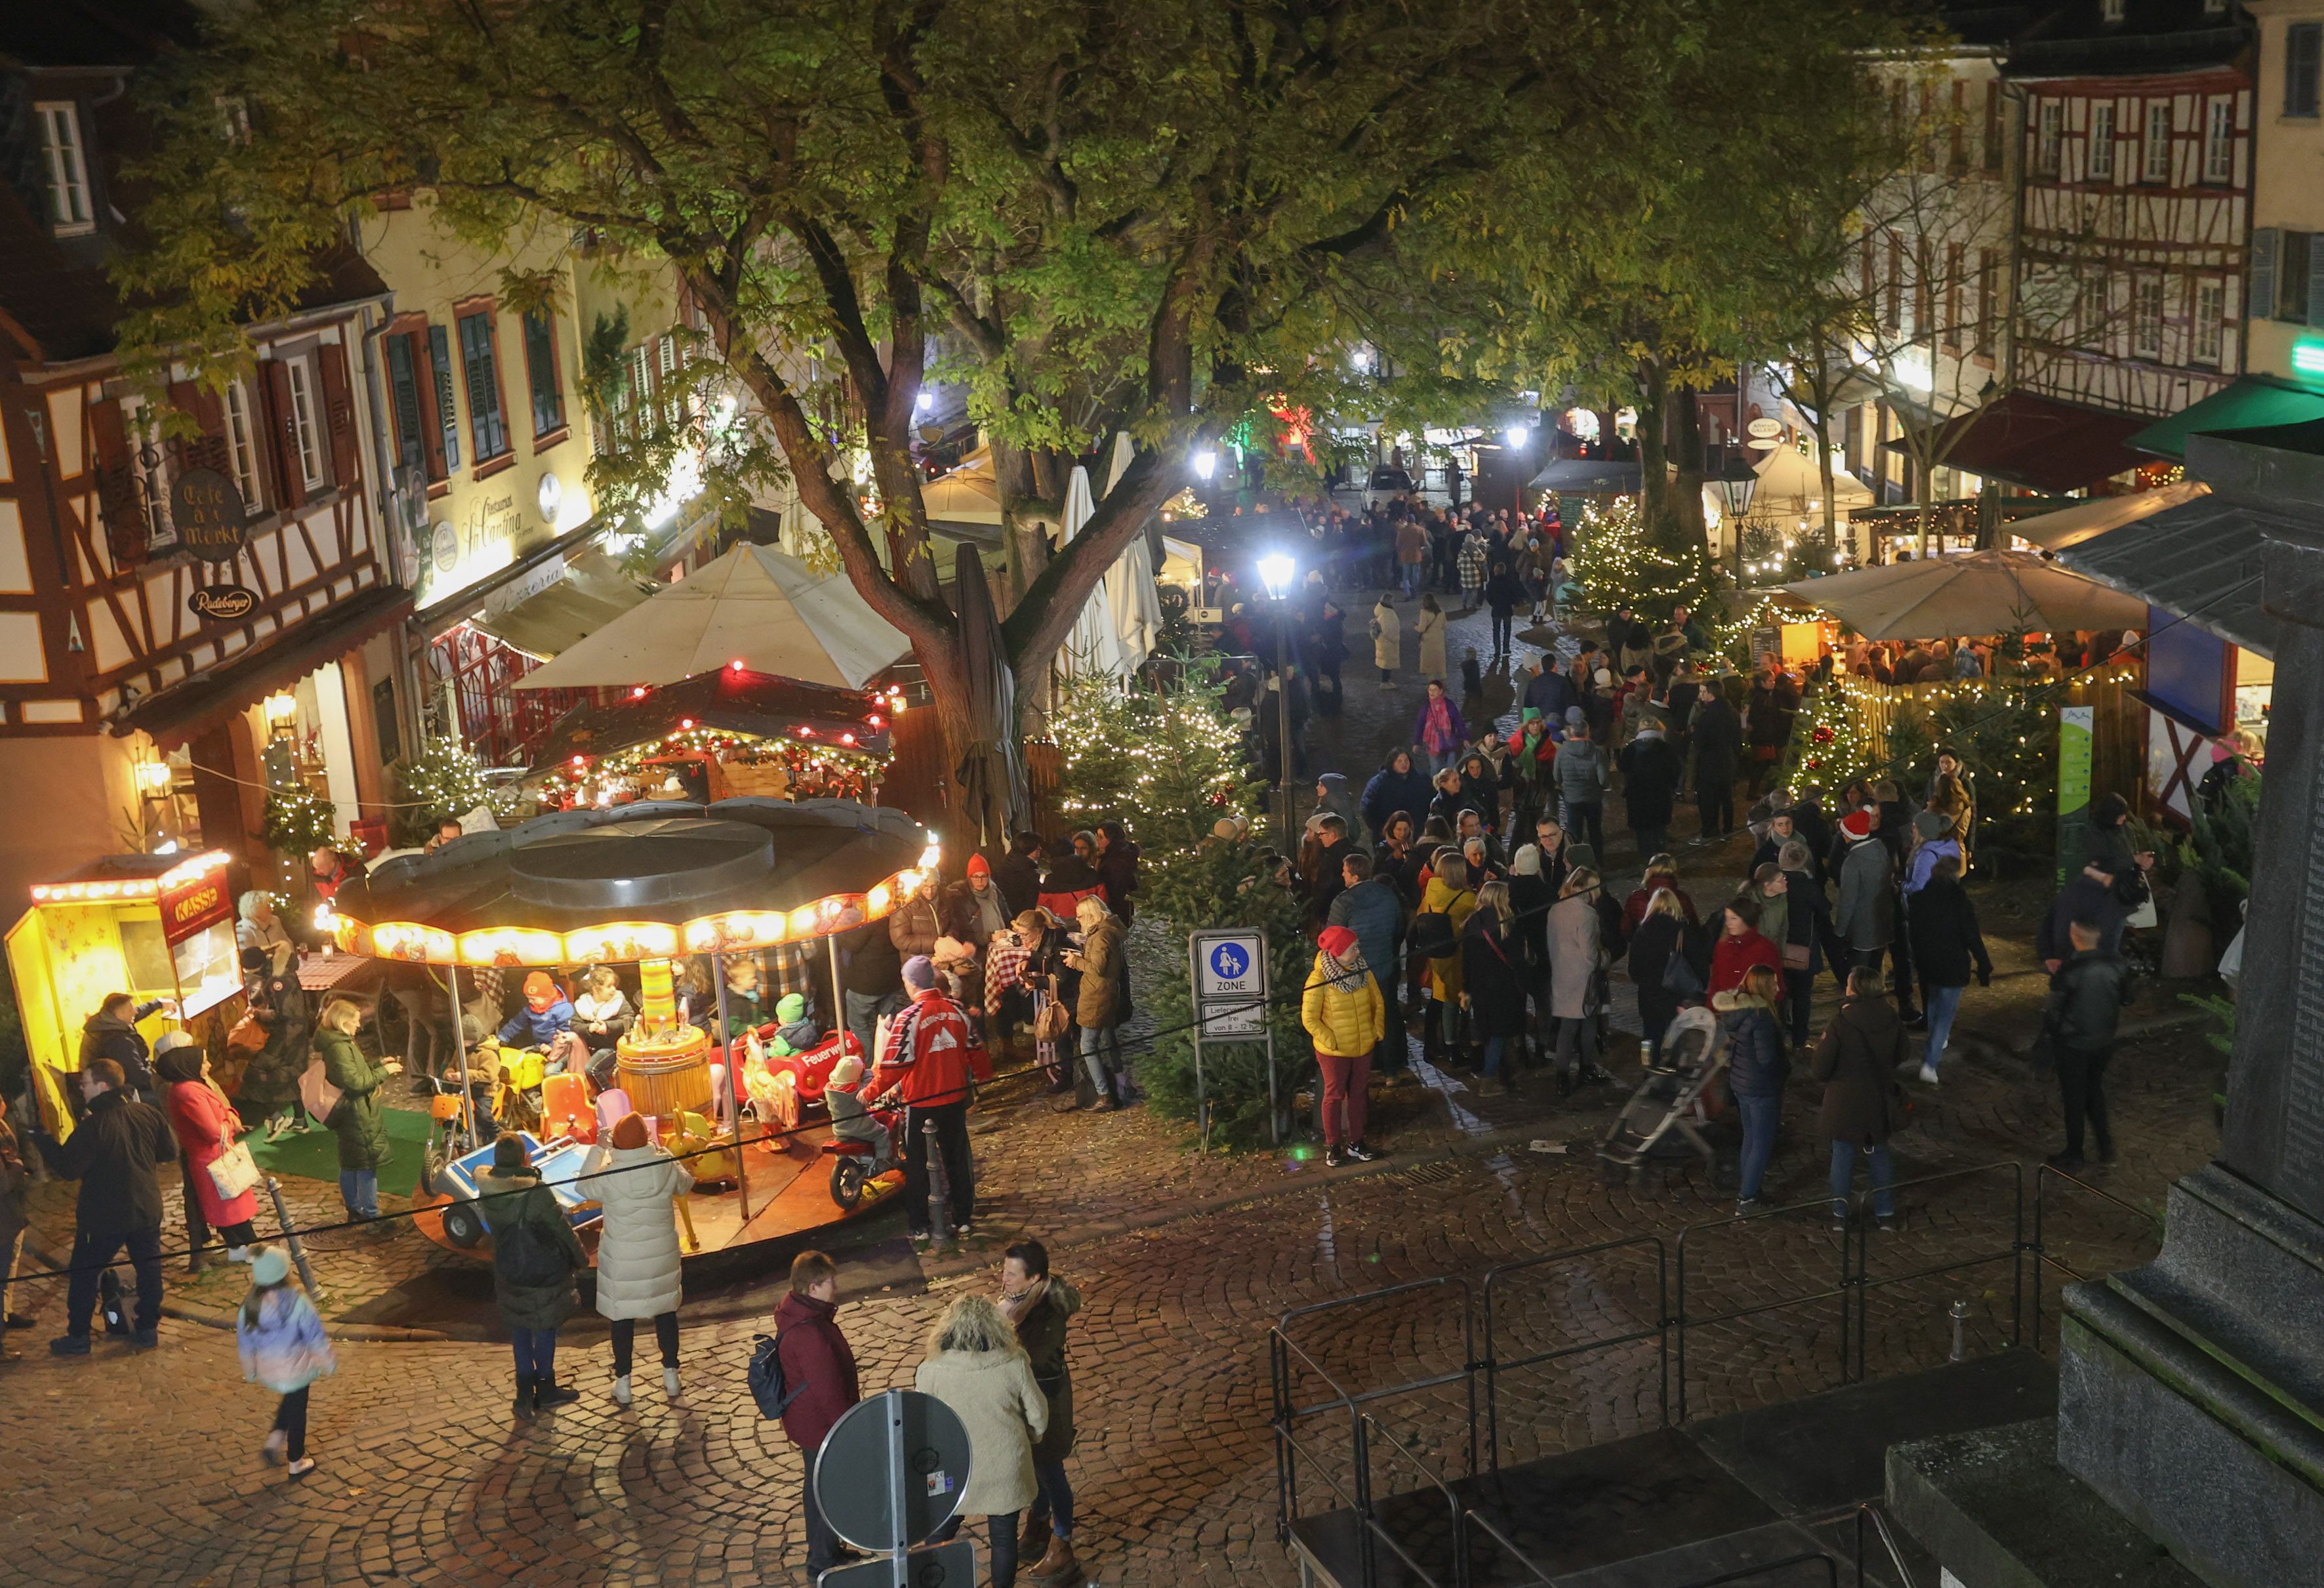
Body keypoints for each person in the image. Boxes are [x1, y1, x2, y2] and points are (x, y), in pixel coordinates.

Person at [31, 1056, 176, 1353]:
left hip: (103, 1217)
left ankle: (79, 1336)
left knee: (84, 1274)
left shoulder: (93, 1126)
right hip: (146, 1208)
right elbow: (169, 1151)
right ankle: (148, 1328)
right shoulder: (147, 1113)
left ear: (103, 1085)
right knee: (149, 1270)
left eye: (85, 1083)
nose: (81, 1088)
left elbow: (69, 1169)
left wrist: (44, 1142)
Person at [916, 1293, 1050, 1588]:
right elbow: (1039, 1415)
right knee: (1004, 1539)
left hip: (952, 1469)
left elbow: (921, 1423)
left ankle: (928, 1581)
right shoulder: (1014, 1363)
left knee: (938, 1534)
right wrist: (1031, 1438)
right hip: (1003, 1466)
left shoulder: (931, 1370)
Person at [871, 954, 986, 1248]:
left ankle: (920, 1225)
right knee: (957, 1160)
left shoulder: (907, 1018)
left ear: (911, 984)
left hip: (921, 1103)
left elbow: (894, 1065)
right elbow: (977, 1050)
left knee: (919, 1165)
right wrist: (984, 1075)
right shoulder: (957, 1009)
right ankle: (963, 1220)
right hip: (955, 1099)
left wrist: (868, 1093)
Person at [479, 1131, 588, 1419]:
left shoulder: (488, 1190)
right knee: (545, 1328)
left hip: (509, 1269)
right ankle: (547, 1389)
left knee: (521, 1331)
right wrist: (580, 1258)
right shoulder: (535, 1191)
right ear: (523, 1157)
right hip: (542, 1270)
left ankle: (524, 1395)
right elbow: (560, 1230)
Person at [585, 1111, 692, 1405]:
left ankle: (624, 1383)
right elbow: (686, 1184)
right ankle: (671, 1376)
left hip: (623, 1259)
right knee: (666, 1313)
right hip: (661, 1256)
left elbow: (582, 1186)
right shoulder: (663, 1164)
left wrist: (598, 1149)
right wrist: (666, 1151)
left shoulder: (609, 1174)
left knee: (622, 1319)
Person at [1001, 1240, 1083, 1581]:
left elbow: (1026, 1358)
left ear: (1034, 1278)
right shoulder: (1018, 1303)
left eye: (1012, 1274)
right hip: (1030, 1397)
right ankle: (1037, 1525)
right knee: (1034, 1467)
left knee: (1051, 1470)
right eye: (1003, 1271)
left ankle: (1062, 1542)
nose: (1004, 1279)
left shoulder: (1048, 1313)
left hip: (1047, 1402)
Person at [777, 1251, 861, 1576]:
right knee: (825, 1493)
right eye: (829, 1282)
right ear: (813, 1288)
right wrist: (849, 1428)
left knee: (818, 1489)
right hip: (821, 1426)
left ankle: (826, 1552)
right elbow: (828, 1392)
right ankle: (822, 1561)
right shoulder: (808, 1332)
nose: (835, 1287)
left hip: (811, 1422)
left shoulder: (802, 1315)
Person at [1816, 967, 1907, 1232]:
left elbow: (1820, 1068)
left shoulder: (1841, 1022)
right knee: (1879, 1153)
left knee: (1843, 1154)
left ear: (1854, 990)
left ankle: (1840, 1215)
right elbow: (1903, 1052)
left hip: (1844, 1101)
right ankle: (1886, 1213)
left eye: (1848, 985)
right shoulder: (1892, 1017)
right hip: (1878, 1098)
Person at [155, 1036, 259, 1266]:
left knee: (234, 1205)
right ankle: (245, 1246)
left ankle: (246, 1246)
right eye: (204, 1062)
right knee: (229, 1207)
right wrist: (232, 1124)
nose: (209, 1065)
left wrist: (230, 1114)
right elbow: (212, 1131)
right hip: (212, 1157)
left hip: (216, 1155)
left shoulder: (192, 1087)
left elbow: (222, 1106)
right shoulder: (187, 1092)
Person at [2042, 918, 2133, 1171]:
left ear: (2075, 937)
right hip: (2103, 1042)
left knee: (2074, 1099)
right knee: (2094, 1092)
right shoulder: (2116, 965)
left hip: (2073, 1045)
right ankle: (2105, 1148)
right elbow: (2128, 998)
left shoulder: (2070, 972)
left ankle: (2074, 1153)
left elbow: (2054, 1012)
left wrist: (2051, 1039)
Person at [237, 1245, 335, 1478]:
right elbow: (315, 1336)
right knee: (298, 1411)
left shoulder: (249, 1307)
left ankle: (275, 1439)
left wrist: (250, 1372)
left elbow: (245, 1345)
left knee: (290, 1398)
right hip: (297, 1368)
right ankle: (296, 1461)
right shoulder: (298, 1302)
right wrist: (328, 1361)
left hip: (271, 1371)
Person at [1304, 926, 1387, 1163]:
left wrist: (1376, 1030)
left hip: (1363, 1046)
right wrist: (1332, 1040)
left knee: (1359, 1095)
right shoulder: (1319, 979)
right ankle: (1333, 1145)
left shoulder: (1363, 971)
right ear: (1338, 951)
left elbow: (1377, 1003)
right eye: (1352, 948)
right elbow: (1310, 1018)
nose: (1358, 951)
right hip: (1335, 1051)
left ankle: (1357, 1142)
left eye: (1357, 946)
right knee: (1334, 1095)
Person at [315, 996, 399, 1229]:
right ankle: (371, 1217)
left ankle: (355, 1209)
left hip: (352, 1112)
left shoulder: (340, 1044)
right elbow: (354, 1083)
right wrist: (385, 1072)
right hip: (357, 1114)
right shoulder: (340, 1048)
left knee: (351, 1163)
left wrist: (378, 1064)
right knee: (365, 1165)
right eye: (355, 1022)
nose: (358, 1026)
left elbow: (355, 1071)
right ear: (343, 1022)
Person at [1907, 855, 1991, 1086]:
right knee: (1946, 1012)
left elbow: (1913, 933)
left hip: (1928, 962)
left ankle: (1937, 1040)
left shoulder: (1920, 899)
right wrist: (1983, 962)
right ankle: (1931, 1062)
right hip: (1953, 963)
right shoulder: (1959, 900)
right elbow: (1971, 935)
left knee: (1933, 1002)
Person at [1329, 851, 1408, 1078]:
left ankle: (1367, 1067)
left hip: (1355, 971)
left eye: (1345, 871)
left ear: (1354, 876)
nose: (1342, 875)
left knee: (1361, 1018)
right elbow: (1398, 927)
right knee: (1388, 1015)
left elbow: (1333, 937)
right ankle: (1391, 1069)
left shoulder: (1343, 902)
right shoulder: (1387, 895)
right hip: (1384, 967)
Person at [1719, 965, 1789, 1215]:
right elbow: (1767, 1059)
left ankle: (1751, 1188)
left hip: (1741, 1082)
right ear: (1763, 987)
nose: (1779, 988)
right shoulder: (1762, 1018)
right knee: (1761, 1143)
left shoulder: (1740, 1011)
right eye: (1774, 985)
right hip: (1761, 1087)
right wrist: (1782, 1073)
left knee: (1750, 1138)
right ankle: (1747, 1199)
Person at [235, 948, 311, 1140]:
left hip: (287, 1038)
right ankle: (300, 1121)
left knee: (254, 1074)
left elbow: (285, 1014)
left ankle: (276, 1117)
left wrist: (257, 1014)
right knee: (292, 1075)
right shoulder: (277, 972)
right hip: (296, 1036)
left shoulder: (279, 981)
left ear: (251, 968)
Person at [1459, 883, 1527, 1093]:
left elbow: (1467, 960)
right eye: (1506, 896)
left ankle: (1503, 1070)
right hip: (1503, 986)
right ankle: (1488, 1081)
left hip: (1479, 986)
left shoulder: (1472, 922)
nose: (1509, 900)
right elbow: (1516, 959)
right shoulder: (1506, 924)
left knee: (1488, 1031)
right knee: (1499, 1034)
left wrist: (1467, 988)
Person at [1627, 887, 1708, 1059]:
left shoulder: (1641, 933)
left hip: (1650, 999)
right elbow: (1701, 965)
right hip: (1677, 998)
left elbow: (1634, 971)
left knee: (1650, 1038)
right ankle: (1672, 1077)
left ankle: (1650, 1072)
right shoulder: (1683, 932)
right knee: (1678, 1041)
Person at [1546, 868, 1606, 1089]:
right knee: (1588, 1022)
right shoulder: (1587, 914)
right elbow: (1590, 954)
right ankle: (1586, 1068)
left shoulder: (1555, 910)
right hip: (1584, 980)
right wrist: (1605, 957)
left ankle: (1561, 1076)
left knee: (1567, 1027)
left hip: (1561, 976)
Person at [1067, 898, 1130, 1110]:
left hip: (1097, 995)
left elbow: (1098, 967)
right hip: (1108, 993)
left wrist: (1075, 962)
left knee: (1088, 1044)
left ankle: (1104, 1095)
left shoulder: (1102, 936)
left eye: (1080, 916)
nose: (1077, 919)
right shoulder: (1109, 930)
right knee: (1108, 1037)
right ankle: (1122, 1084)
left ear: (1092, 915)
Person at [1833, 808, 1901, 1003]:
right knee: (1875, 971)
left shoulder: (1853, 863)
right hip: (1882, 923)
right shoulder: (1882, 852)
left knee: (1858, 977)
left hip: (1862, 929)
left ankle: (1859, 1010)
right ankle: (1877, 1005)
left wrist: (1839, 931)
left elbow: (1848, 901)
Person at [1417, 855, 1478, 1067]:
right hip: (1459, 955)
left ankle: (1434, 1045)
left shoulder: (1431, 893)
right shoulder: (1467, 900)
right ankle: (1454, 1047)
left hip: (1437, 954)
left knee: (1440, 999)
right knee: (1455, 1002)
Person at [839, 900, 908, 1063]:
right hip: (891, 981)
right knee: (886, 1023)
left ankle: (868, 1066)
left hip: (866, 984)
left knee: (859, 1025)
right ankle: (890, 1062)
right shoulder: (893, 915)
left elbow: (852, 945)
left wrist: (840, 929)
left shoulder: (870, 919)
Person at [79, 991, 168, 1109]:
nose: (135, 1011)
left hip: (111, 1086)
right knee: (170, 1098)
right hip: (118, 1096)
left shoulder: (103, 1022)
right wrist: (166, 1082)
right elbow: (139, 1077)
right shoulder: (118, 1041)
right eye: (131, 1008)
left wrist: (158, 1004)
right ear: (120, 1015)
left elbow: (138, 1013)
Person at [1618, 714, 1682, 862]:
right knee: (1659, 831)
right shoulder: (1667, 749)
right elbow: (1677, 769)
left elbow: (1623, 767)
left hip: (1637, 796)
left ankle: (1646, 862)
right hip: (1661, 795)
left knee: (1642, 833)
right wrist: (1671, 786)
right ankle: (1660, 863)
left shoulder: (1632, 749)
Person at [1690, 682, 1743, 840]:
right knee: (1726, 798)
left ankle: (1709, 830)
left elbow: (1699, 742)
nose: (1702, 695)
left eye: (1704, 692)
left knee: (1708, 799)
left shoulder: (1707, 716)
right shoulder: (1732, 713)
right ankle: (1728, 830)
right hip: (1727, 760)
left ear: (1711, 695)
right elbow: (1737, 738)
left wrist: (1694, 733)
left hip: (1710, 762)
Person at [1555, 707, 1608, 855]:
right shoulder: (1596, 753)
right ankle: (1597, 860)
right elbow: (1604, 780)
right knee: (1595, 831)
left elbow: (1557, 777)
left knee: (1574, 832)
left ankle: (1575, 863)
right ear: (1587, 732)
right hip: (1593, 798)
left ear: (1571, 733)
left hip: (1572, 798)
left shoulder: (1562, 752)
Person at [1709, 898, 1784, 997]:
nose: (1728, 923)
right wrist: (1711, 1008)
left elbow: (1776, 987)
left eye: (1734, 918)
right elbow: (1715, 982)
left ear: (1747, 920)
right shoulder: (1723, 946)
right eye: (1727, 918)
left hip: (1753, 1009)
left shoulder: (1765, 948)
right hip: (1723, 1009)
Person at [1362, 748, 1434, 847]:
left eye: (1406, 760)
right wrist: (1381, 830)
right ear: (1392, 763)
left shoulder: (1422, 779)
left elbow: (1432, 801)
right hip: (1387, 837)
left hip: (1418, 834)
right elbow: (1368, 809)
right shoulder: (1378, 784)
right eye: (1399, 761)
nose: (1404, 764)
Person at [0, 1095, 28, 1343]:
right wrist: (18, 1167)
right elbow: (3, 1183)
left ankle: (6, 1314)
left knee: (10, 1268)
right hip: (4, 1218)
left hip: (12, 1213)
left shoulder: (4, 1125)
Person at [1622, 855, 1698, 939]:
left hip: (1644, 946)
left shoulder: (1635, 899)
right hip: (1674, 947)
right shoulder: (1683, 899)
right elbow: (1694, 929)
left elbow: (1626, 930)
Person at [499, 971, 575, 1048]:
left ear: (547, 996)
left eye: (533, 999)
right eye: (528, 998)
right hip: (539, 1045)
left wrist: (552, 1046)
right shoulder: (530, 1009)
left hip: (560, 1048)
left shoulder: (563, 1009)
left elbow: (568, 1034)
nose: (530, 1001)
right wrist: (501, 1039)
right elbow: (516, 1024)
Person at [1414, 678, 1465, 775]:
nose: (1432, 692)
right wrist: (1417, 742)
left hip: (1449, 741)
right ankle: (1436, 789)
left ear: (1441, 691)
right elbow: (1420, 724)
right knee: (1435, 768)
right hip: (1432, 744)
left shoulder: (1449, 705)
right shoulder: (1426, 706)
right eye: (1430, 690)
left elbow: (1458, 721)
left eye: (1435, 690)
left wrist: (1465, 738)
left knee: (1451, 768)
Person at [236, 891, 294, 976]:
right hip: (260, 979)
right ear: (255, 910)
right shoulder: (242, 931)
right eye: (266, 907)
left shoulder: (275, 922)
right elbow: (246, 964)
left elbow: (288, 943)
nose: (270, 909)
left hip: (284, 972)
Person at [1414, 594, 1448, 683]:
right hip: (1439, 639)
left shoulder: (1424, 613)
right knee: (1440, 660)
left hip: (1428, 641)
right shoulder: (1441, 612)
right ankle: (1443, 681)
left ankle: (1432, 683)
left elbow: (1422, 628)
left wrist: (1415, 626)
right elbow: (1444, 625)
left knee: (1430, 663)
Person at [1371, 594, 1402, 687]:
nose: (1394, 602)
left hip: (1383, 642)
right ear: (1388, 601)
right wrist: (1395, 639)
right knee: (1387, 663)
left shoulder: (1381, 611)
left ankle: (1386, 681)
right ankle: (1385, 683)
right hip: (1388, 642)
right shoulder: (1388, 613)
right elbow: (1388, 630)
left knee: (1385, 663)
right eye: (1392, 600)